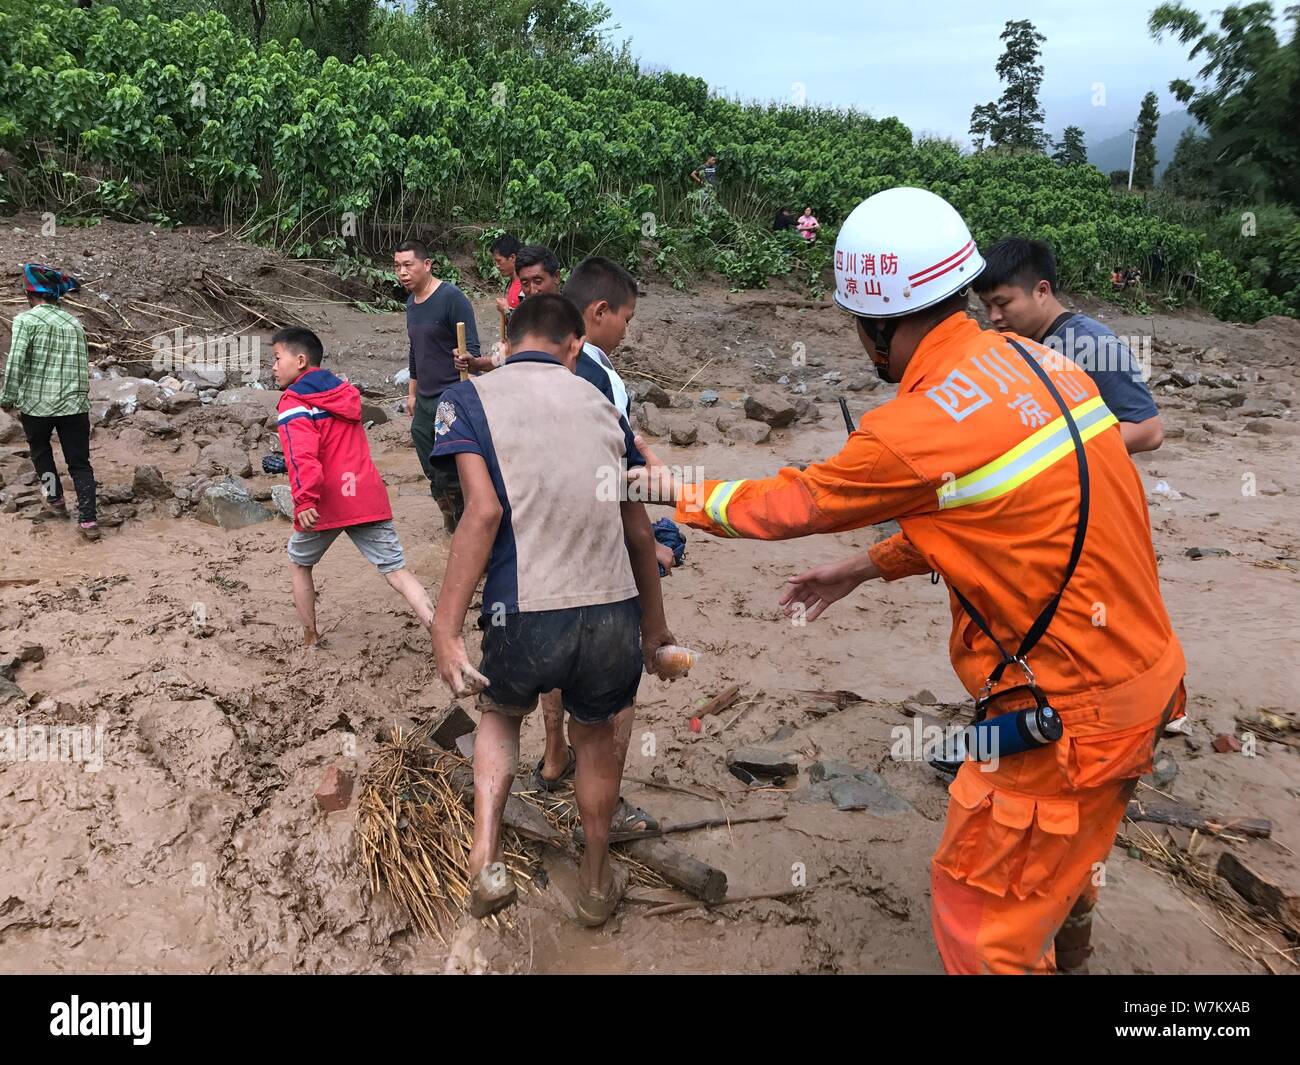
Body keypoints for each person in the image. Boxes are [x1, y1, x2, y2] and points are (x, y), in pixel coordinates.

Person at [633, 187, 1185, 975]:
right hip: (1148, 679)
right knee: (1067, 853)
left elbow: (787, 504)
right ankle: (1073, 951)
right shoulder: (1049, 367)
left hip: (1073, 713)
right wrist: (864, 566)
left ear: (875, 327)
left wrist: (674, 489)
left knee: (978, 922)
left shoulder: (913, 427)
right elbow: (1005, 519)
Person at [429, 294, 675, 926]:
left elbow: (480, 514)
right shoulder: (600, 404)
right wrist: (657, 633)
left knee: (500, 718)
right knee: (599, 744)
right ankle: (595, 885)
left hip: (525, 614)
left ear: (507, 342)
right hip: (614, 613)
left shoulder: (468, 399)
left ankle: (486, 854)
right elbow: (642, 535)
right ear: (572, 348)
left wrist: (446, 630)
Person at [271, 327, 433, 646]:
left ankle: (310, 639)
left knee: (299, 561)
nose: (273, 367)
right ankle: (443, 634)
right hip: (365, 493)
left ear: (301, 360)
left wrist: (304, 501)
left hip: (326, 501)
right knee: (397, 571)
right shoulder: (344, 393)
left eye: (277, 359)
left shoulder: (293, 402)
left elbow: (303, 457)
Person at [974, 238, 1163, 454]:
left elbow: (1148, 431)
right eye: (986, 305)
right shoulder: (1016, 343)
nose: (993, 316)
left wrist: (1052, 451)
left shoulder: (1094, 346)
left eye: (1003, 303)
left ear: (1042, 291)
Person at [0, 264, 98, 540]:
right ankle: (89, 520)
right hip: (74, 406)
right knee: (80, 462)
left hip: (37, 406)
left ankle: (55, 498)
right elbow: (81, 366)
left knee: (41, 450)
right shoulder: (74, 323)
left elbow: (16, 362)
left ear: (30, 294)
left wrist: (7, 398)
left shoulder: (25, 321)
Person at [394, 239, 484, 533]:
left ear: (427, 265)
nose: (402, 272)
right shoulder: (411, 303)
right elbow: (414, 352)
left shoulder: (451, 298)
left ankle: (467, 524)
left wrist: (466, 359)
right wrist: (411, 394)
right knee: (430, 465)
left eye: (408, 265)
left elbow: (471, 347)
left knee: (451, 467)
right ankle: (449, 516)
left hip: (452, 395)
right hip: (424, 398)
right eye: (397, 266)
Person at [490, 233, 523, 317]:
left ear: (512, 257)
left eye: (499, 261)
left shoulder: (526, 288)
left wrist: (507, 310)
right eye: (495, 262)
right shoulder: (510, 284)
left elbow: (527, 323)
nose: (497, 266)